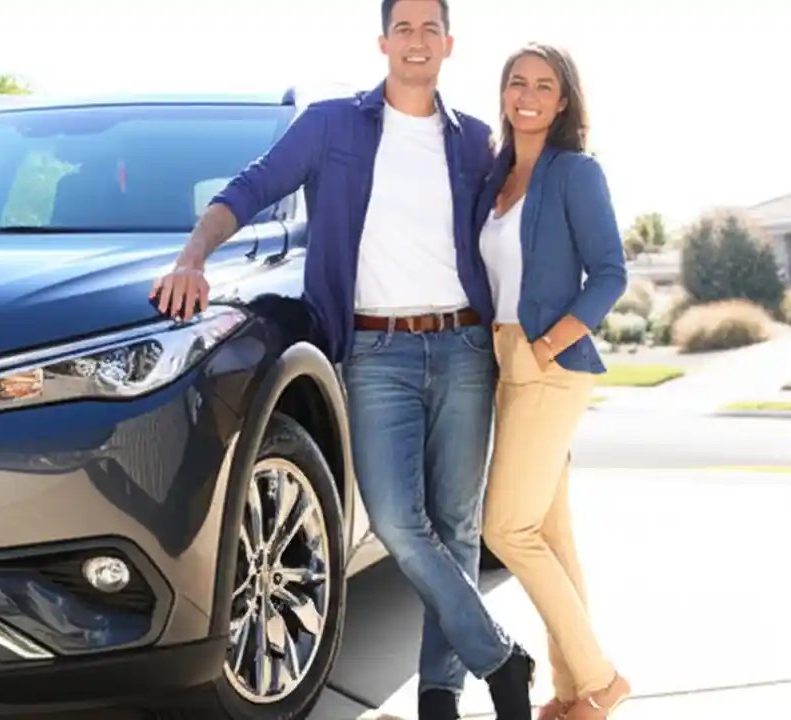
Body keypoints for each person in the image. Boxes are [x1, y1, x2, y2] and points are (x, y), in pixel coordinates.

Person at [150, 2, 534, 718]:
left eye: (429, 29)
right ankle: (503, 658)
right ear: (383, 41)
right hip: (375, 352)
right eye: (403, 28)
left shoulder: (476, 142)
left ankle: (440, 693)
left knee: (456, 526)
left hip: (464, 348)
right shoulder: (331, 126)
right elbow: (248, 188)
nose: (416, 41)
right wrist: (191, 259)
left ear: (449, 44)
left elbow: (514, 232)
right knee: (395, 523)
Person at [473, 43, 632, 720]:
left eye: (544, 85)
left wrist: (544, 346)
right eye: (517, 82)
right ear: (504, 93)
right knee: (550, 531)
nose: (528, 94)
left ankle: (601, 678)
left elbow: (611, 273)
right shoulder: (495, 178)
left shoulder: (575, 173)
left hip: (550, 365)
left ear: (563, 101)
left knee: (506, 529)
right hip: (499, 364)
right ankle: (573, 697)